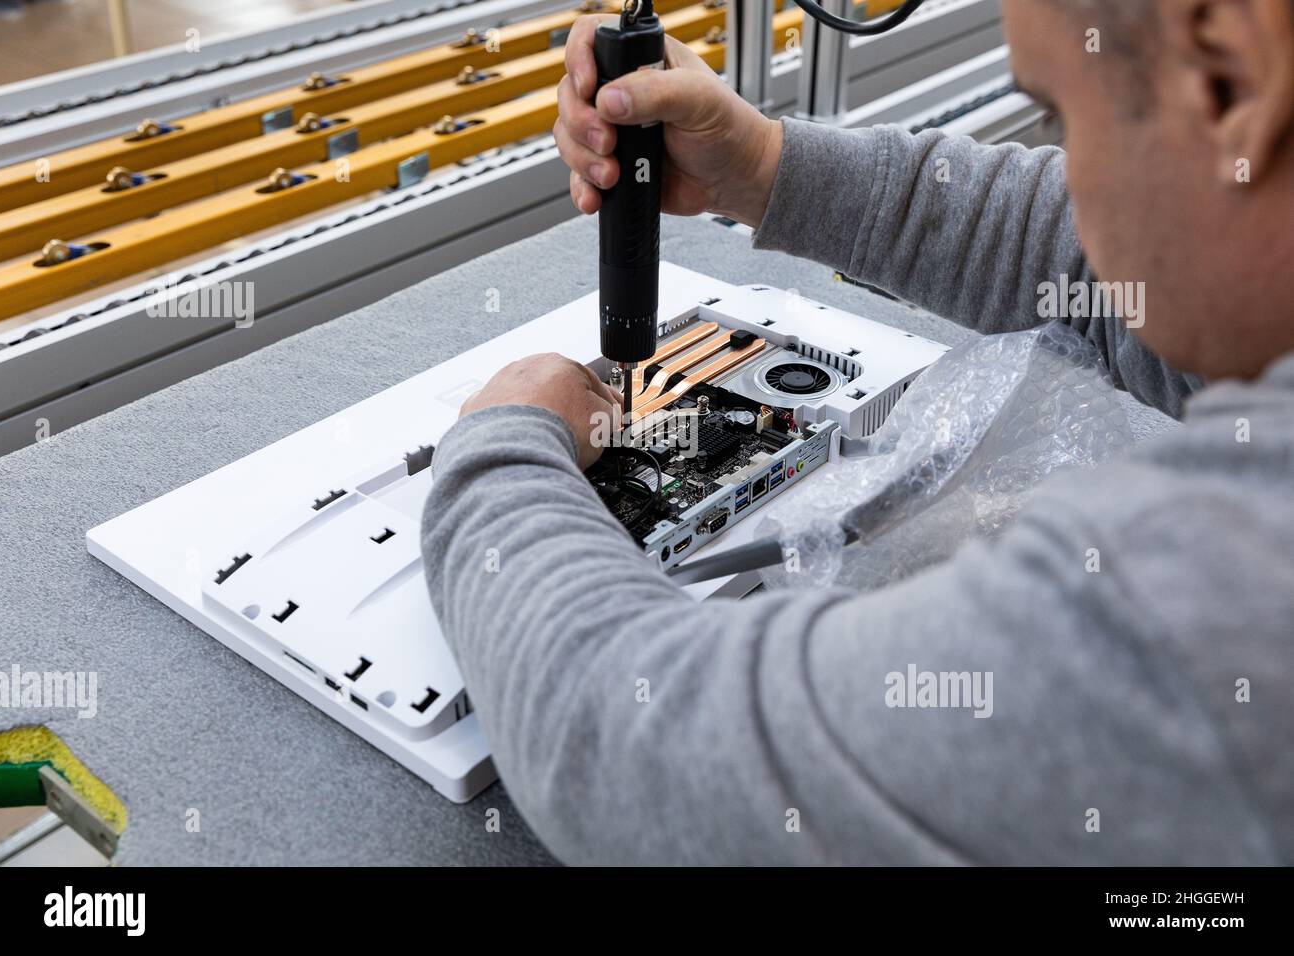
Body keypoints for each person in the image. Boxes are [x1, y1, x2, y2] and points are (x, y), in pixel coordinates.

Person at [420, 0, 1294, 863]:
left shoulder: (1225, 587)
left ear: (1228, 72)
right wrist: (762, 166)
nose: (1072, 175)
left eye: (1064, 115)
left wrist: (502, 443)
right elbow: (1100, 271)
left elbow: (644, 761)